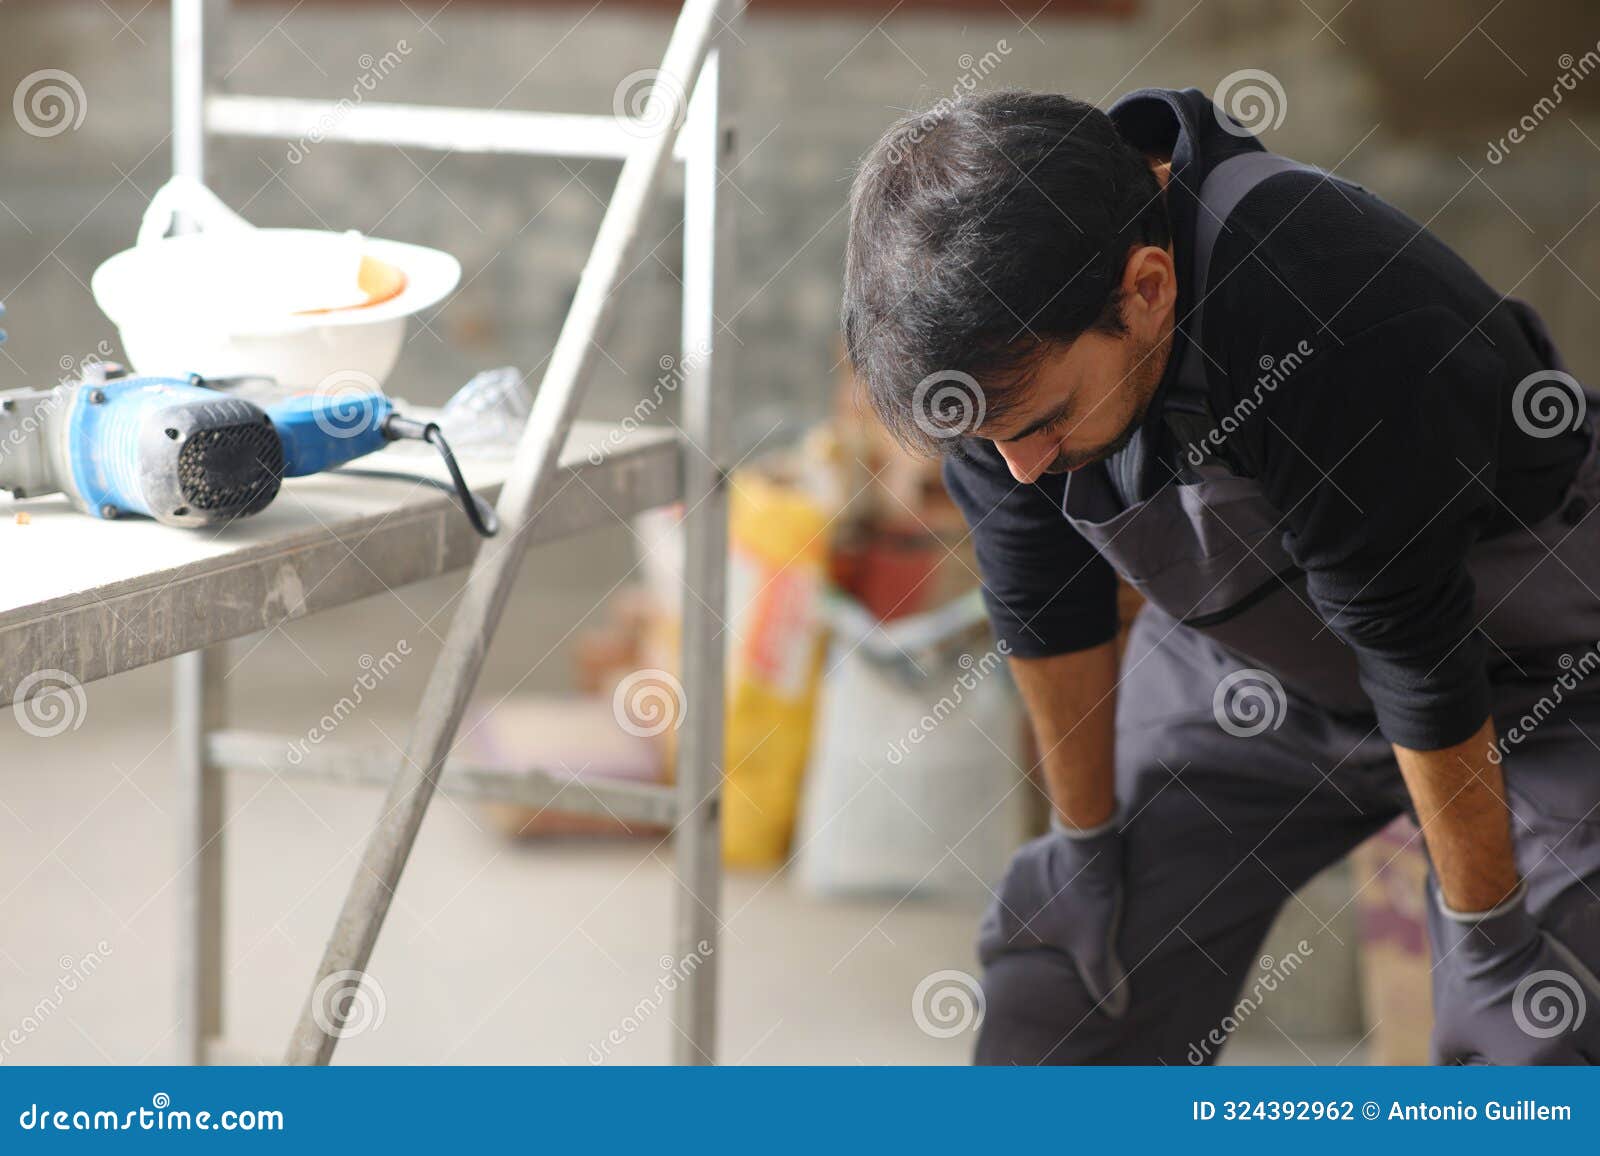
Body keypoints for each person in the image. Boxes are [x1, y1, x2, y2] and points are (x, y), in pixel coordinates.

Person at [841, 87, 1600, 1064]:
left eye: (1043, 424)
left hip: (1540, 663)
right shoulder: (991, 350)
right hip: (1255, 669)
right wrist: (1084, 847)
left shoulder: (1319, 298)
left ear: (1148, 286)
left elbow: (1412, 644)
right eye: (992, 438)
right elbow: (1039, 594)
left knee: (1541, 1019)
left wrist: (1492, 936)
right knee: (1071, 986)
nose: (1020, 466)